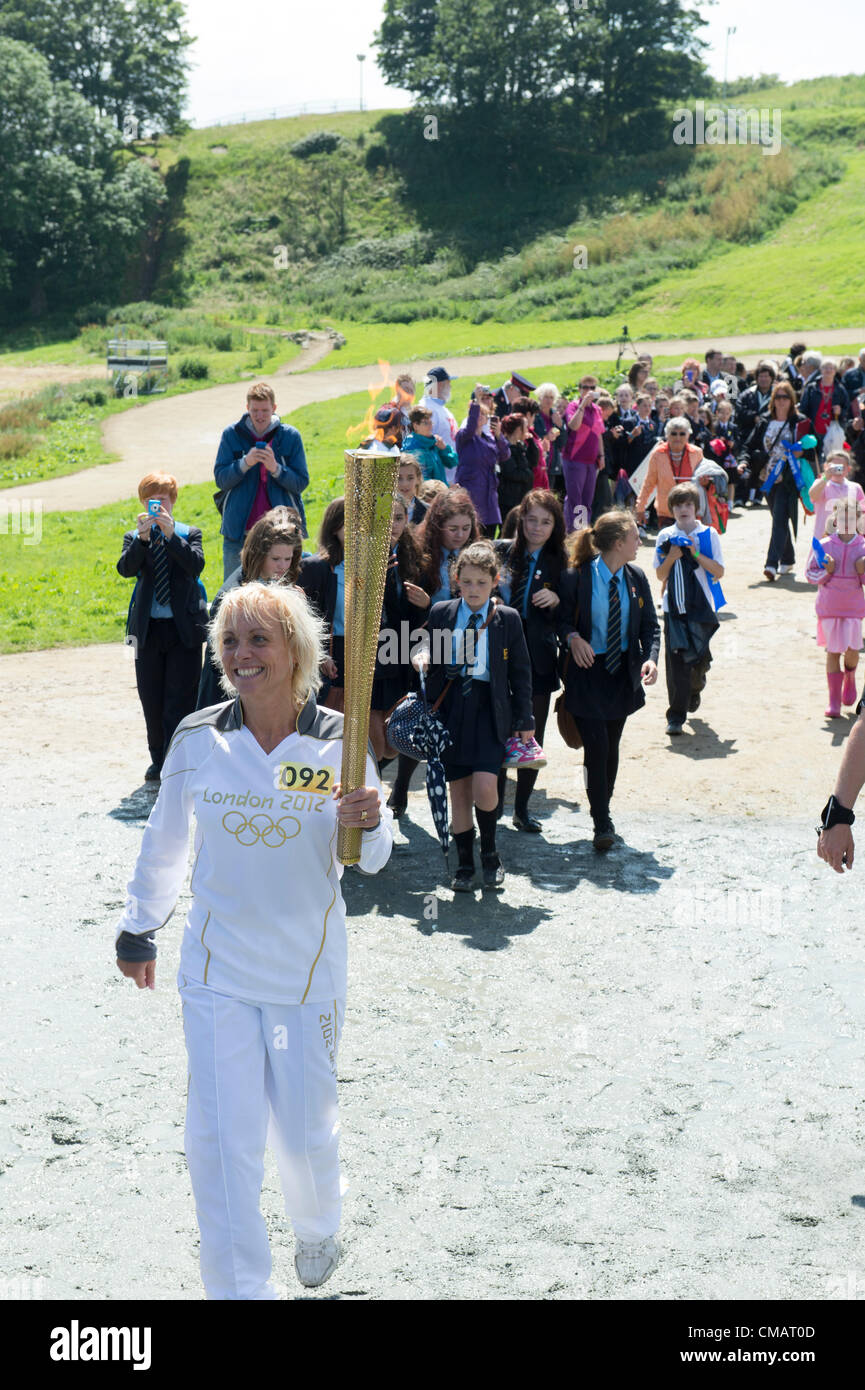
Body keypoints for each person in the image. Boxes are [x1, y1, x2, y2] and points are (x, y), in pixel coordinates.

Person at [114, 581, 393, 1299]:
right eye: (230, 642)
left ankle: (317, 1223)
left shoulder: (338, 739)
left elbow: (376, 854)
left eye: (258, 640)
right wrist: (140, 925)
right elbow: (166, 838)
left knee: (302, 1131)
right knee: (219, 1141)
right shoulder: (199, 737)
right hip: (215, 970)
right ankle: (239, 1289)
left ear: (295, 651)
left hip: (304, 974)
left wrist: (367, 818)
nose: (241, 655)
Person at [412, 541, 534, 891]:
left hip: (489, 710)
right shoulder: (442, 613)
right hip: (452, 711)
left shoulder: (506, 619)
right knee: (460, 793)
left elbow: (521, 672)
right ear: (456, 581)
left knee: (486, 787)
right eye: (467, 582)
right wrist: (420, 656)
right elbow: (426, 646)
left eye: (482, 582)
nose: (474, 589)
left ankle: (491, 854)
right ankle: (465, 864)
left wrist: (525, 719)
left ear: (495, 581)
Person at [556, 510, 659, 851]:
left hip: (621, 675)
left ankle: (603, 806)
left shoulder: (636, 577)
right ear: (619, 542)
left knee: (611, 748)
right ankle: (602, 821)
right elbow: (557, 621)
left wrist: (651, 660)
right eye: (634, 537)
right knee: (597, 747)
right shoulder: (577, 576)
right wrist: (573, 638)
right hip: (586, 673)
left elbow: (650, 628)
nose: (640, 542)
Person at [386, 489, 480, 817]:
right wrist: (429, 607)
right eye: (452, 529)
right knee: (426, 716)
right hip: (429, 647)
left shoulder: (477, 553)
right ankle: (400, 788)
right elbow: (405, 608)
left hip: (468, 647)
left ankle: (458, 802)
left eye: (465, 528)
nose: (459, 536)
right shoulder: (422, 554)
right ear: (437, 525)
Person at [118, 471, 209, 783]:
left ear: (173, 501)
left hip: (183, 630)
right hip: (148, 631)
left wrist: (171, 537)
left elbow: (195, 565)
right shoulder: (134, 536)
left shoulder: (189, 533)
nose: (159, 505)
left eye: (164, 499)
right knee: (151, 697)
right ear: (144, 502)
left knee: (181, 697)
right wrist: (144, 539)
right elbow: (126, 569)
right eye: (152, 500)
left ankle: (177, 758)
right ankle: (158, 758)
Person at [494, 490, 567, 831]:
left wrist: (557, 599)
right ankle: (491, 809)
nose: (537, 528)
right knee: (494, 731)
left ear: (555, 526)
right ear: (520, 519)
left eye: (546, 522)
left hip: (538, 660)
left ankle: (522, 809)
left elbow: (573, 613)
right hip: (496, 657)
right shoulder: (499, 552)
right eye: (532, 519)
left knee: (530, 735)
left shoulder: (562, 562)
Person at [197, 509, 303, 711]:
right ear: (258, 555)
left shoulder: (281, 584)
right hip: (231, 697)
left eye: (288, 559)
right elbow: (218, 660)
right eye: (275, 559)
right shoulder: (232, 595)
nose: (283, 566)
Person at [214, 382, 309, 579]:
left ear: (274, 408)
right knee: (234, 591)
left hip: (281, 535)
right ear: (247, 408)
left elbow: (301, 482)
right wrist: (244, 463)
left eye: (265, 410)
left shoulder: (289, 436)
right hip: (239, 533)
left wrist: (276, 469)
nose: (259, 416)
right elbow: (221, 480)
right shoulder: (231, 435)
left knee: (283, 590)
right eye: (254, 410)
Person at [652, 482, 725, 736]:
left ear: (697, 508)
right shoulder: (665, 536)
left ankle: (695, 687)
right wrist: (672, 556)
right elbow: (661, 575)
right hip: (674, 608)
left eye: (688, 504)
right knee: (675, 664)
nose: (683, 509)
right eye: (678, 505)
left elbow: (719, 572)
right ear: (671, 509)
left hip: (702, 608)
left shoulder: (709, 535)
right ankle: (676, 716)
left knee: (699, 661)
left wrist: (695, 555)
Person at [369, 493, 430, 761]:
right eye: (384, 518)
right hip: (372, 652)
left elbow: (416, 617)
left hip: (399, 651)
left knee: (392, 743)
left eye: (398, 518)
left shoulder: (412, 555)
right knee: (374, 741)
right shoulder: (364, 553)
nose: (392, 525)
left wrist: (424, 604)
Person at [738, 381, 810, 580]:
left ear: (791, 400)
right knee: (778, 518)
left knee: (779, 518)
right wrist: (743, 462)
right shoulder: (764, 421)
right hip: (766, 478)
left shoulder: (800, 421)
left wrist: (803, 450)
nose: (781, 401)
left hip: (789, 478)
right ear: (773, 400)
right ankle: (788, 558)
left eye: (785, 397)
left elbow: (813, 446)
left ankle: (771, 564)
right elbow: (749, 445)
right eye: (777, 397)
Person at [805, 496, 865, 717]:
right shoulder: (823, 545)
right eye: (842, 517)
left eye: (851, 518)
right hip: (829, 606)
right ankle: (834, 702)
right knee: (832, 652)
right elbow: (810, 574)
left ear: (859, 520)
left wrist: (861, 570)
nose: (846, 522)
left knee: (852, 650)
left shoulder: (863, 546)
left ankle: (850, 676)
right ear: (835, 519)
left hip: (854, 607)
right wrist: (827, 570)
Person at [297, 499, 345, 711]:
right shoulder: (316, 567)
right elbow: (306, 619)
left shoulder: (375, 564)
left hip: (365, 653)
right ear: (335, 527)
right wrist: (321, 656)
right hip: (332, 653)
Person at [634, 418, 704, 532]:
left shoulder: (697, 453)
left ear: (688, 435)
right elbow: (649, 482)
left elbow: (702, 480)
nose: (677, 437)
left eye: (682, 434)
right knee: (670, 546)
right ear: (667, 435)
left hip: (690, 510)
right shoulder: (657, 454)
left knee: (691, 546)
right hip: (666, 510)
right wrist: (640, 507)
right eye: (673, 433)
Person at [455, 394, 510, 538]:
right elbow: (470, 427)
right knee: (472, 532)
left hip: (489, 495)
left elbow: (505, 455)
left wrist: (499, 436)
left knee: (489, 533)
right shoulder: (464, 437)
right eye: (477, 413)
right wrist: (477, 402)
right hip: (472, 492)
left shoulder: (489, 441)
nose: (480, 416)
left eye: (484, 414)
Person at [562, 375, 605, 532]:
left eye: (592, 388)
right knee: (575, 498)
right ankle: (574, 531)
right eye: (585, 387)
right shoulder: (573, 406)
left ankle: (582, 529)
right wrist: (582, 406)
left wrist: (602, 455)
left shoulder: (597, 410)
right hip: (575, 459)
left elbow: (599, 434)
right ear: (579, 389)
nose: (589, 391)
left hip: (591, 461)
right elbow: (574, 425)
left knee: (587, 499)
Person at [808, 447, 865, 542]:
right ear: (826, 467)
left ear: (848, 469)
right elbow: (813, 495)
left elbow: (862, 514)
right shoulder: (822, 485)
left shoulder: (855, 487)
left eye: (841, 467)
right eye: (834, 466)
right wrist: (826, 477)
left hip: (848, 541)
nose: (837, 470)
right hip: (824, 539)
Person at [800, 359, 850, 458]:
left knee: (833, 459)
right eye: (825, 367)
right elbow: (803, 409)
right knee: (814, 459)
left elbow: (847, 410)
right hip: (813, 430)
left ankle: (834, 474)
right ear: (821, 370)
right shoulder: (811, 388)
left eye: (831, 368)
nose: (828, 370)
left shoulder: (840, 389)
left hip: (832, 431)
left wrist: (840, 411)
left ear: (835, 371)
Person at [419, 367, 459, 470]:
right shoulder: (426, 409)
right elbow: (424, 445)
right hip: (439, 478)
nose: (450, 387)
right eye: (448, 383)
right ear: (440, 385)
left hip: (450, 475)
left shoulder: (441, 408)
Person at [402, 406, 455, 482]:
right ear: (416, 426)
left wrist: (444, 448)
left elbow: (452, 462)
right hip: (431, 492)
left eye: (431, 422)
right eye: (426, 423)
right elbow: (421, 481)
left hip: (440, 490)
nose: (431, 426)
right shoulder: (413, 449)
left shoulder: (434, 443)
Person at [497, 414, 536, 520]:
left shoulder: (520, 446)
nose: (527, 430)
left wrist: (531, 442)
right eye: (525, 427)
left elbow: (533, 462)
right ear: (519, 430)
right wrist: (529, 474)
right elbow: (511, 473)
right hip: (509, 499)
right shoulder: (506, 448)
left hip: (521, 496)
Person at [395, 454, 430, 526]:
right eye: (399, 478)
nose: (404, 484)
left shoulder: (428, 511)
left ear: (418, 479)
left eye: (410, 478)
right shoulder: (381, 509)